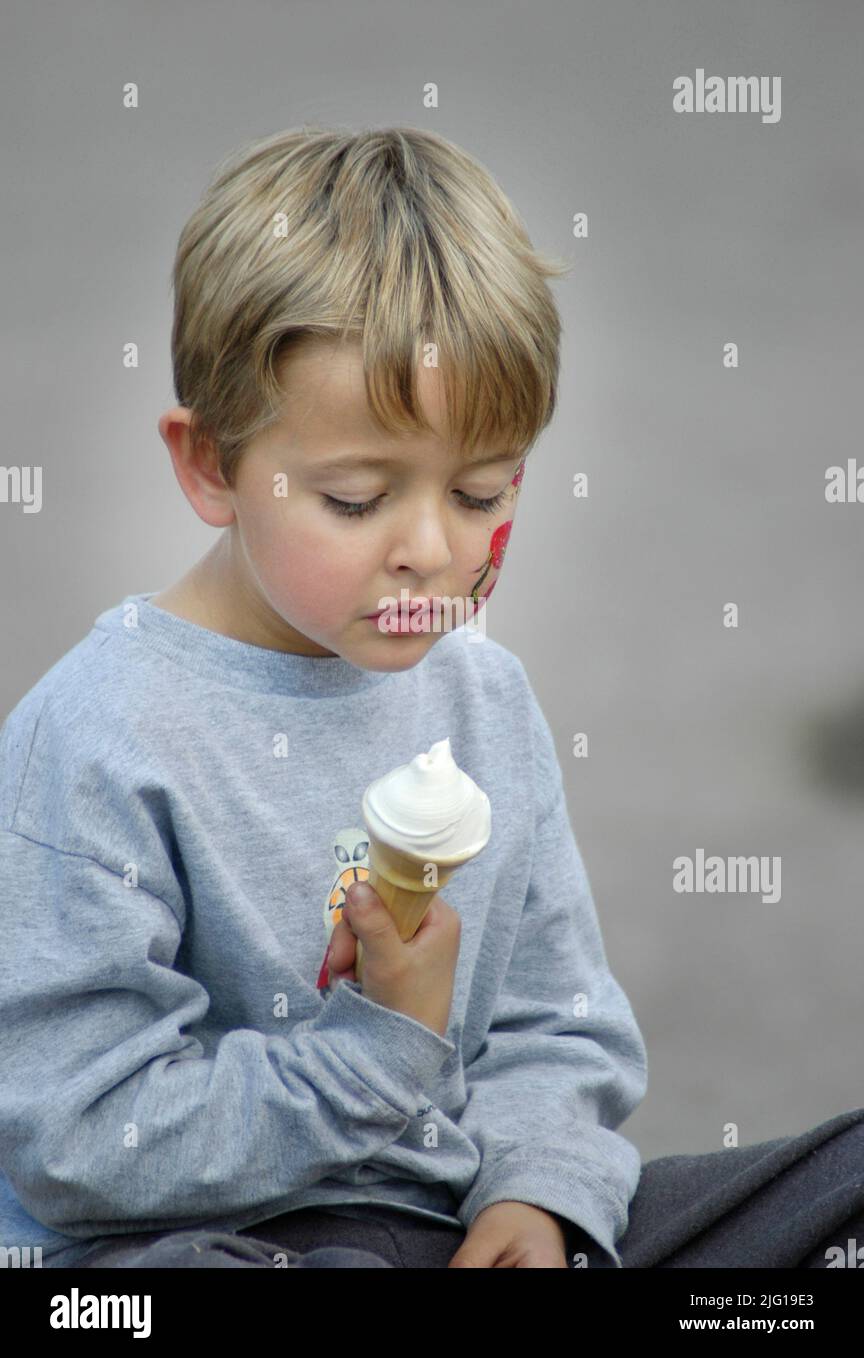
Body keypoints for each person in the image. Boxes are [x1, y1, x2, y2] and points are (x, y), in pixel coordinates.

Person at [1, 128, 861, 1273]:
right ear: (209, 465)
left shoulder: (484, 695)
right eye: (357, 498)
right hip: (202, 1248)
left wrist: (540, 1197)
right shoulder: (99, 735)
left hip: (445, 1223)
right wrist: (380, 1049)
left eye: (480, 490)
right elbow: (74, 1139)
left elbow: (557, 1027)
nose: (430, 550)